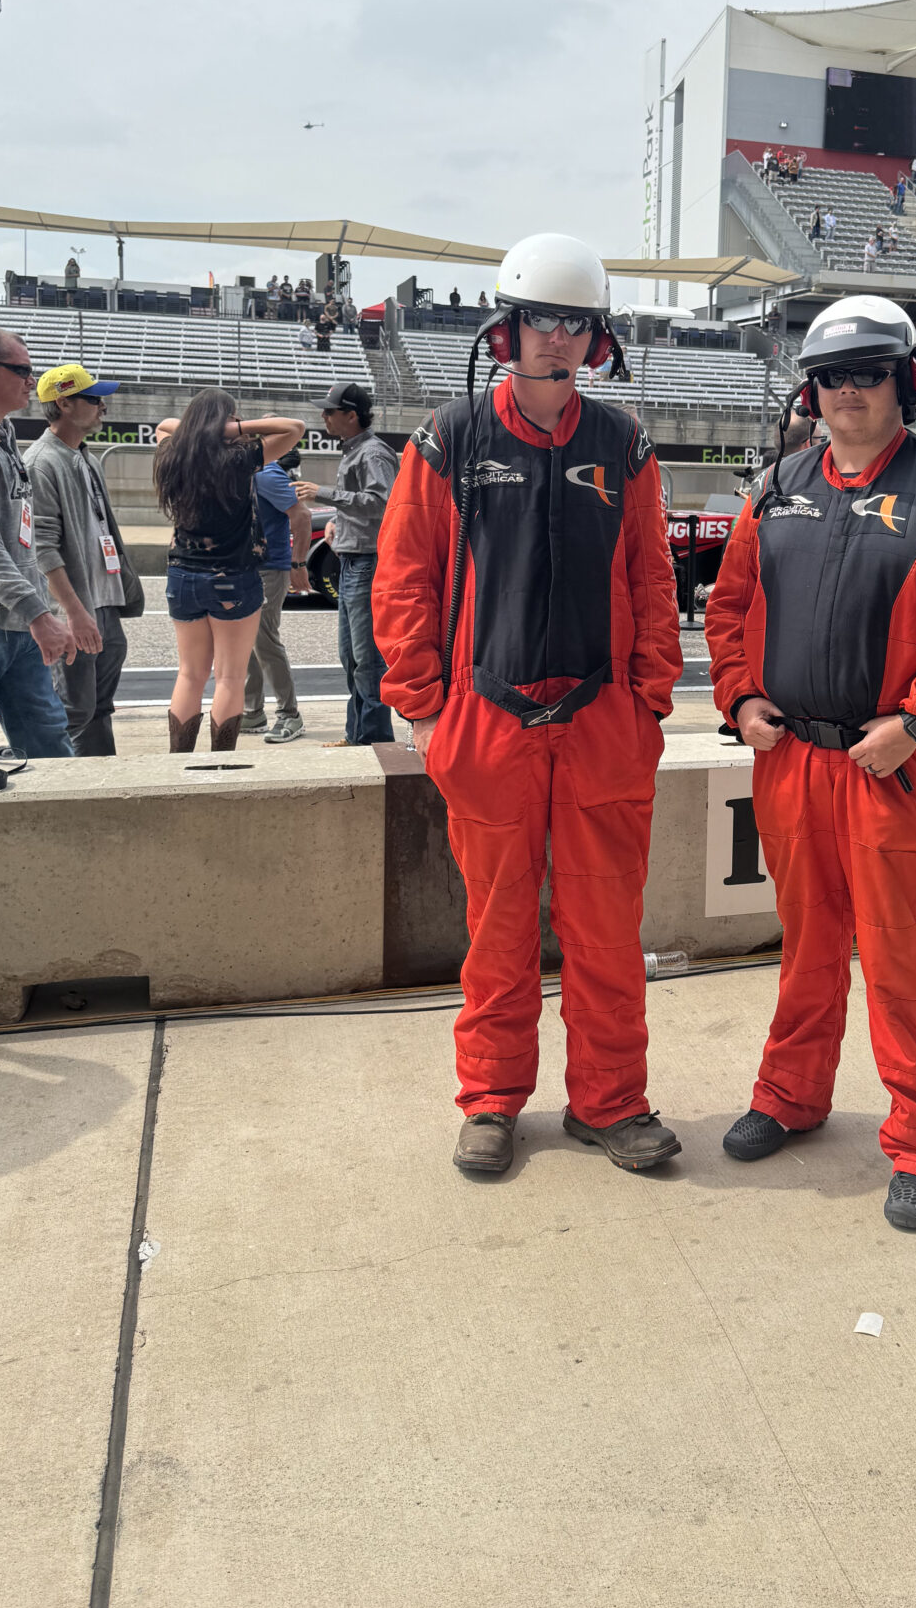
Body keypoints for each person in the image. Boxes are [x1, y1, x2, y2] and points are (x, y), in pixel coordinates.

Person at [373, 233, 683, 1179]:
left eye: (575, 324)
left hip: (601, 728)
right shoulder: (451, 437)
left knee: (605, 935)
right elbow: (404, 578)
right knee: (497, 932)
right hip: (487, 725)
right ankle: (492, 1100)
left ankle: (609, 1102)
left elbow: (653, 576)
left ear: (597, 339)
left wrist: (650, 703)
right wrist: (424, 713)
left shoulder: (623, 443)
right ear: (507, 332)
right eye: (540, 321)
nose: (556, 340)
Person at [705, 294, 916, 1232]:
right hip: (790, 758)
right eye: (832, 376)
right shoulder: (777, 485)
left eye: (868, 374)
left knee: (900, 959)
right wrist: (739, 698)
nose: (848, 392)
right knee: (804, 946)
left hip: (892, 765)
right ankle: (792, 1095)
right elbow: (727, 608)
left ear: (906, 380)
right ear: (813, 387)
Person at [154, 391, 305, 752]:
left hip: (182, 574)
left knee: (190, 674)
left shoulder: (173, 454)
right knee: (230, 677)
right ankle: (219, 763)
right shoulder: (240, 458)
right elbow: (294, 427)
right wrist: (234, 427)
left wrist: (201, 428)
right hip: (233, 577)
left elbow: (164, 426)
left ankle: (178, 760)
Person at [0, 325, 77, 779]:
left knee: (52, 746)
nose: (32, 381)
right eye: (22, 370)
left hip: (15, 622)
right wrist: (38, 613)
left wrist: (39, 612)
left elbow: (19, 539)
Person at [24, 363, 143, 756]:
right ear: (64, 403)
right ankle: (71, 794)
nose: (103, 406)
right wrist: (72, 613)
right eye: (93, 398)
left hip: (103, 601)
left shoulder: (86, 458)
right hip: (75, 608)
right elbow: (43, 547)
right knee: (73, 711)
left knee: (99, 707)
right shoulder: (41, 462)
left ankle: (102, 785)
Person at [294, 381, 397, 746]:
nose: (324, 416)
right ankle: (359, 735)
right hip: (355, 563)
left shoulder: (372, 453)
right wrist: (340, 518)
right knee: (351, 656)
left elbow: (382, 502)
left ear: (351, 415)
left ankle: (372, 738)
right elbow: (367, 504)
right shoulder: (357, 449)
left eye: (330, 411)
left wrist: (323, 494)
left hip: (367, 565)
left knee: (365, 658)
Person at [239, 445, 311, 741]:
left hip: (269, 568)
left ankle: (289, 714)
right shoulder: (250, 472)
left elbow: (302, 517)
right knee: (246, 642)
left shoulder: (267, 474)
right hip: (247, 568)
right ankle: (252, 712)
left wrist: (298, 563)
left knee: (264, 640)